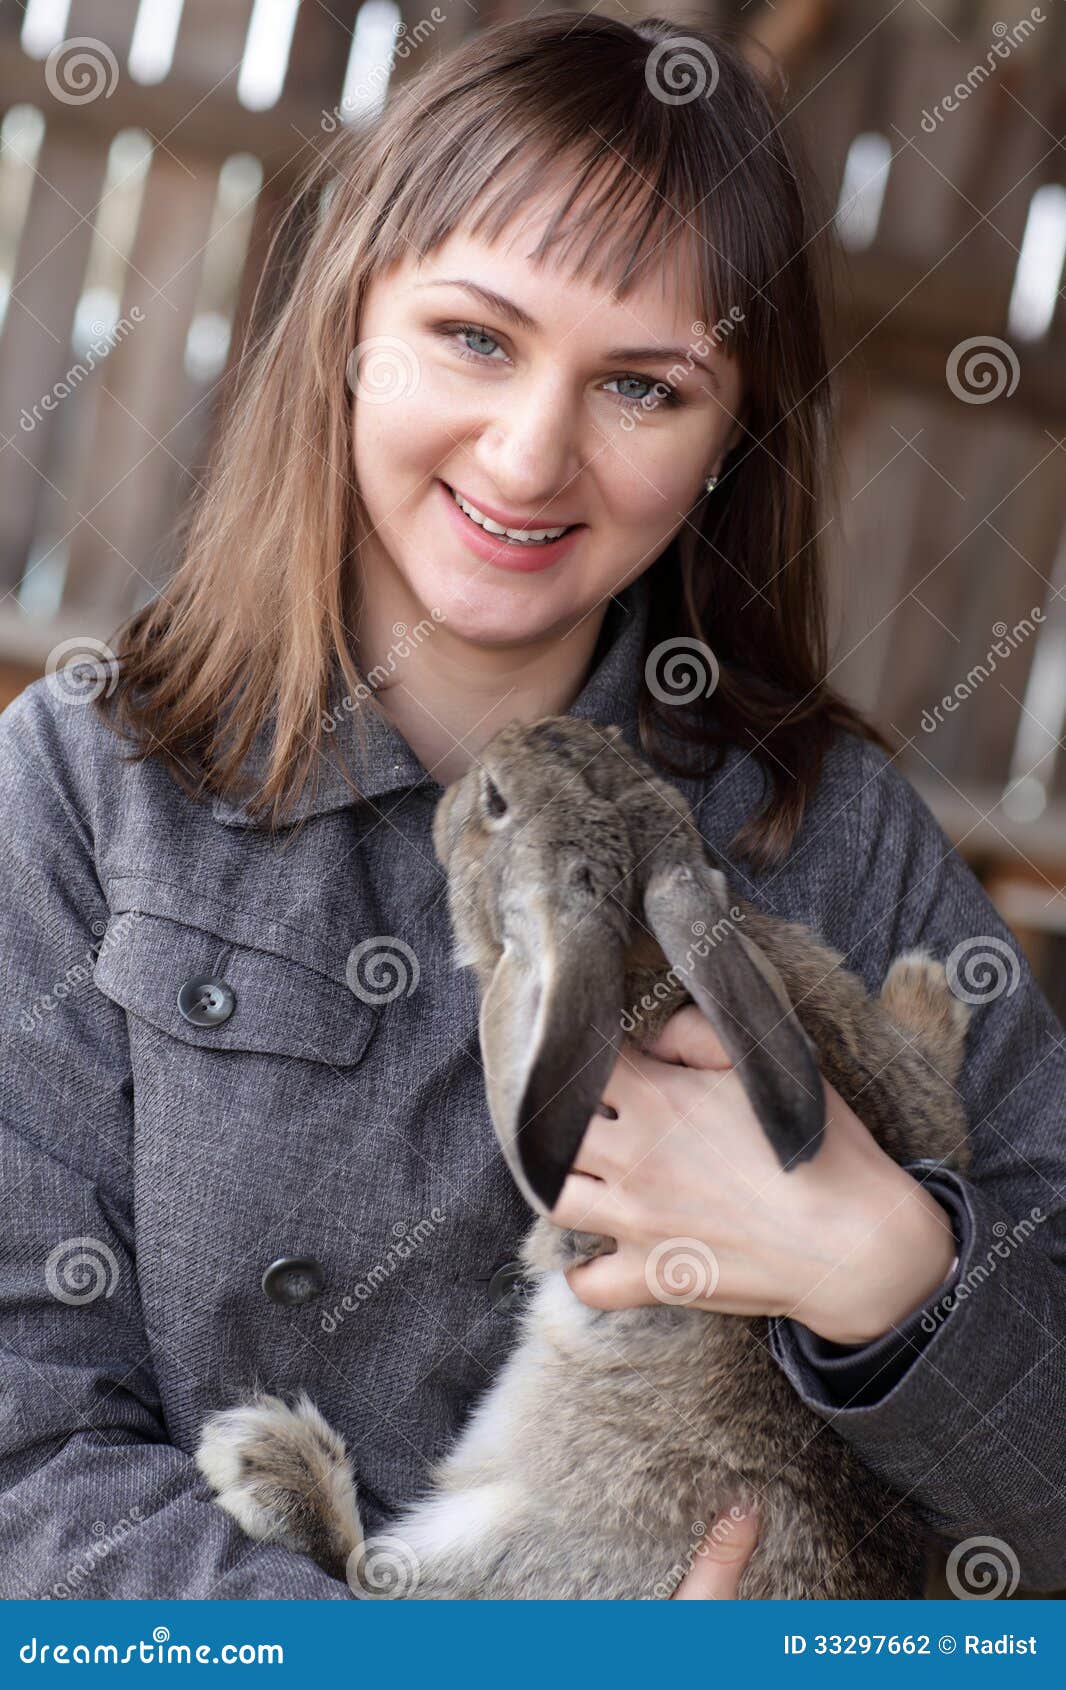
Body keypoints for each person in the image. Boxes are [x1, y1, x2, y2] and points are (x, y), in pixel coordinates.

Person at [1, 13, 1063, 1601]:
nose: (528, 453)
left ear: (726, 441)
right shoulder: (88, 788)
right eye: (475, 337)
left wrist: (885, 1264)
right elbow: (23, 1452)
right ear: (351, 320)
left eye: (644, 387)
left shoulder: (826, 838)